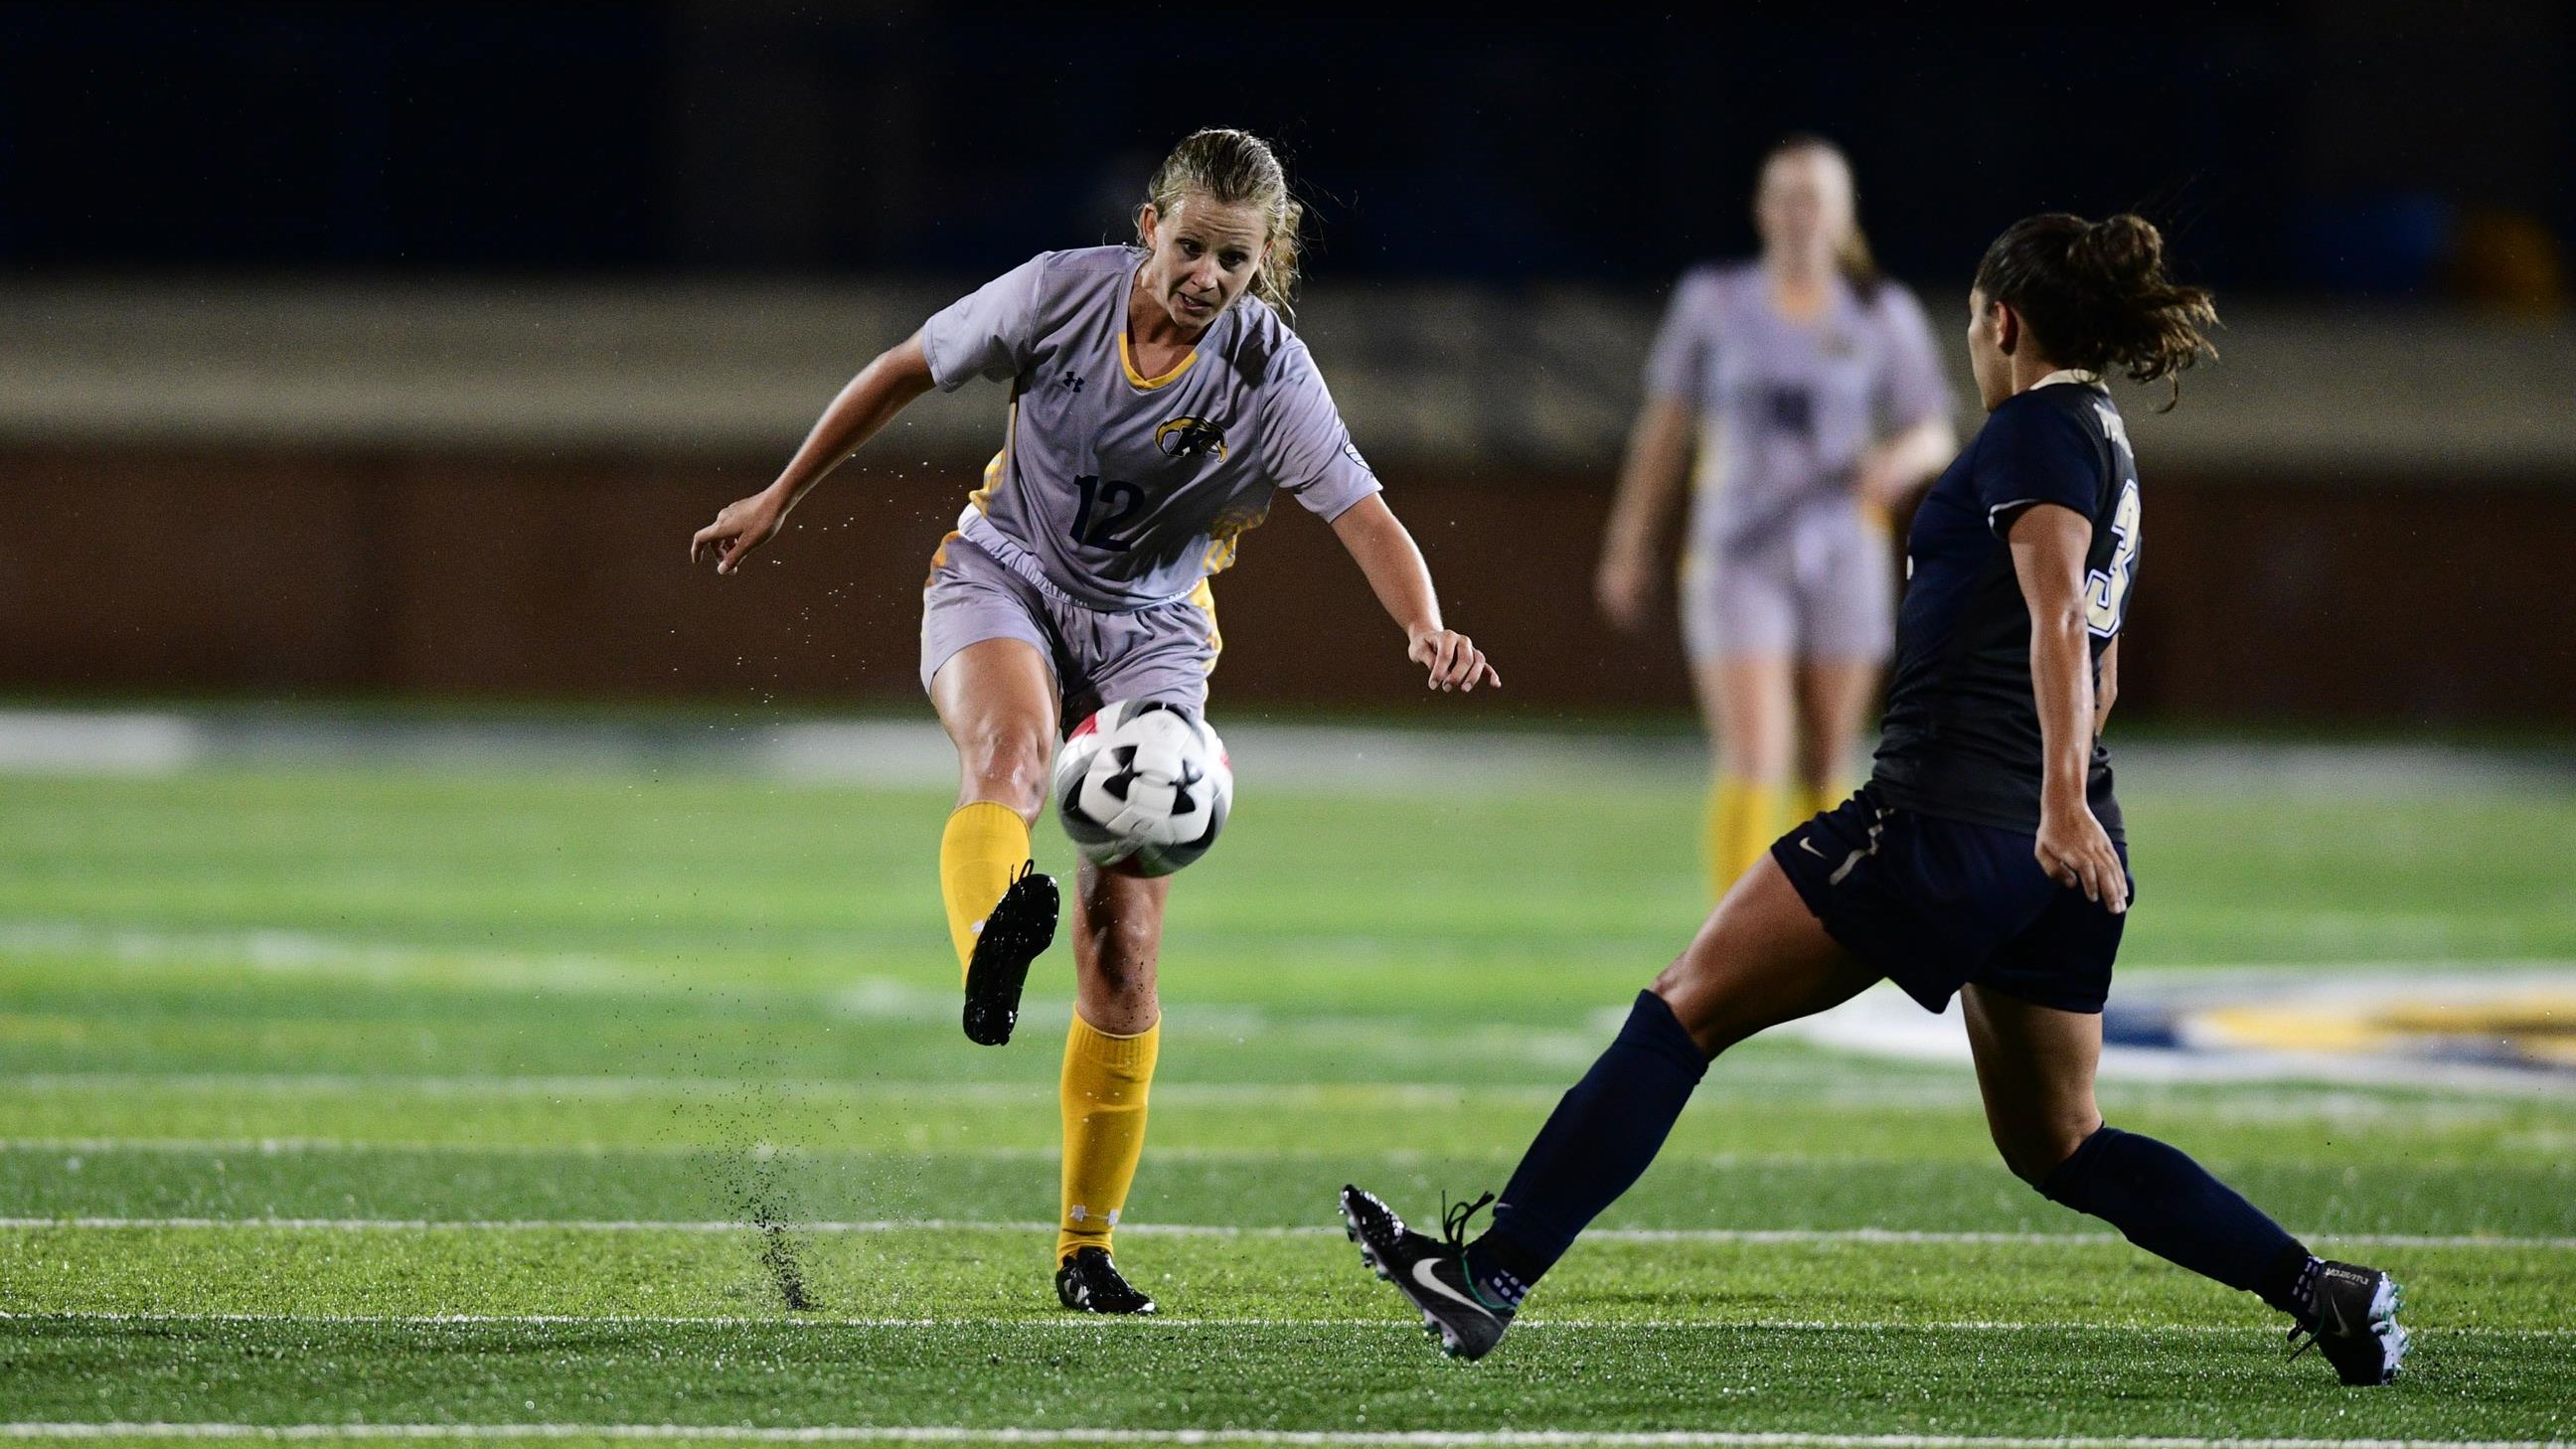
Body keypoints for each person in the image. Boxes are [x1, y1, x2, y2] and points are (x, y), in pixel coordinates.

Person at [1341, 212, 2412, 1386]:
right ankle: (2322, 1291)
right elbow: (2095, 659)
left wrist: (2044, 802)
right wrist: (2057, 805)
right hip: (2051, 843)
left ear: (2001, 320)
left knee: (1683, 1007)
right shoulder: (2104, 439)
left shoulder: (2033, 435)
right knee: (2063, 1143)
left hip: (1959, 821)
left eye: (1969, 318)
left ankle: (1491, 1275)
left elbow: (2059, 618)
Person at [693, 128, 1498, 1317]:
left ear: (1266, 257)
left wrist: (1424, 625)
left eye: (1234, 260)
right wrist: (778, 494)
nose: (1206, 279)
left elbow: (1365, 516)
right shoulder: (1058, 294)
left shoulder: (1271, 372)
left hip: (1156, 633)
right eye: (1188, 249)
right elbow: (903, 369)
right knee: (1007, 757)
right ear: (1147, 229)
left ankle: (1086, 1250)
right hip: (1005, 570)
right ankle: (990, 958)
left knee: (1124, 944)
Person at [1596, 136, 1956, 898]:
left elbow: (1932, 428)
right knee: (1756, 753)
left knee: (1828, 759)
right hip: (1737, 553)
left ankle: (1825, 925)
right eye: (1785, 197)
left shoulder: (1879, 312)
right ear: (1762, 211)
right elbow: (1664, 429)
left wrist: (1898, 460)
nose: (1800, 214)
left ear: (1844, 213)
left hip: (1842, 552)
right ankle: (1728, 940)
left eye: (1816, 198)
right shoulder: (1716, 303)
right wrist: (1630, 542)